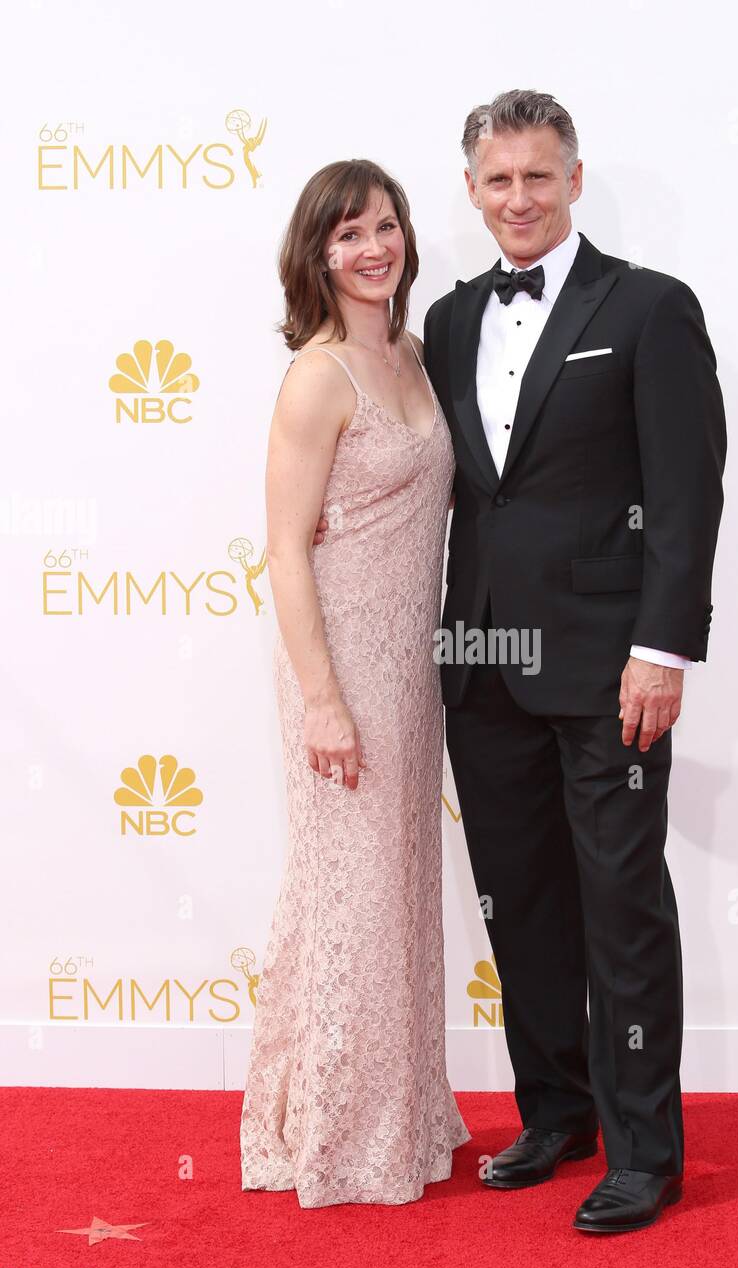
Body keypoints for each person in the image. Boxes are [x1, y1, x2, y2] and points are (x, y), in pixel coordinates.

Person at [421, 90, 727, 1233]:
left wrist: (662, 648)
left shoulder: (648, 307)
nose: (519, 198)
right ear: (471, 190)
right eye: (498, 180)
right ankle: (556, 1110)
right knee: (522, 904)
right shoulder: (448, 319)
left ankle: (646, 1151)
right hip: (482, 659)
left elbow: (686, 493)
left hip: (610, 667)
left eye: (538, 176)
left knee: (620, 905)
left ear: (575, 179)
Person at [239, 159, 470, 1208]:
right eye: (348, 234)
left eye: (385, 226)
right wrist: (323, 700)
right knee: (347, 894)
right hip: (338, 669)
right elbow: (285, 549)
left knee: (394, 891)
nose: (372, 248)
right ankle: (333, 1131)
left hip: (410, 670)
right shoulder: (318, 375)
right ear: (317, 255)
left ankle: (400, 1111)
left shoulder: (411, 354)